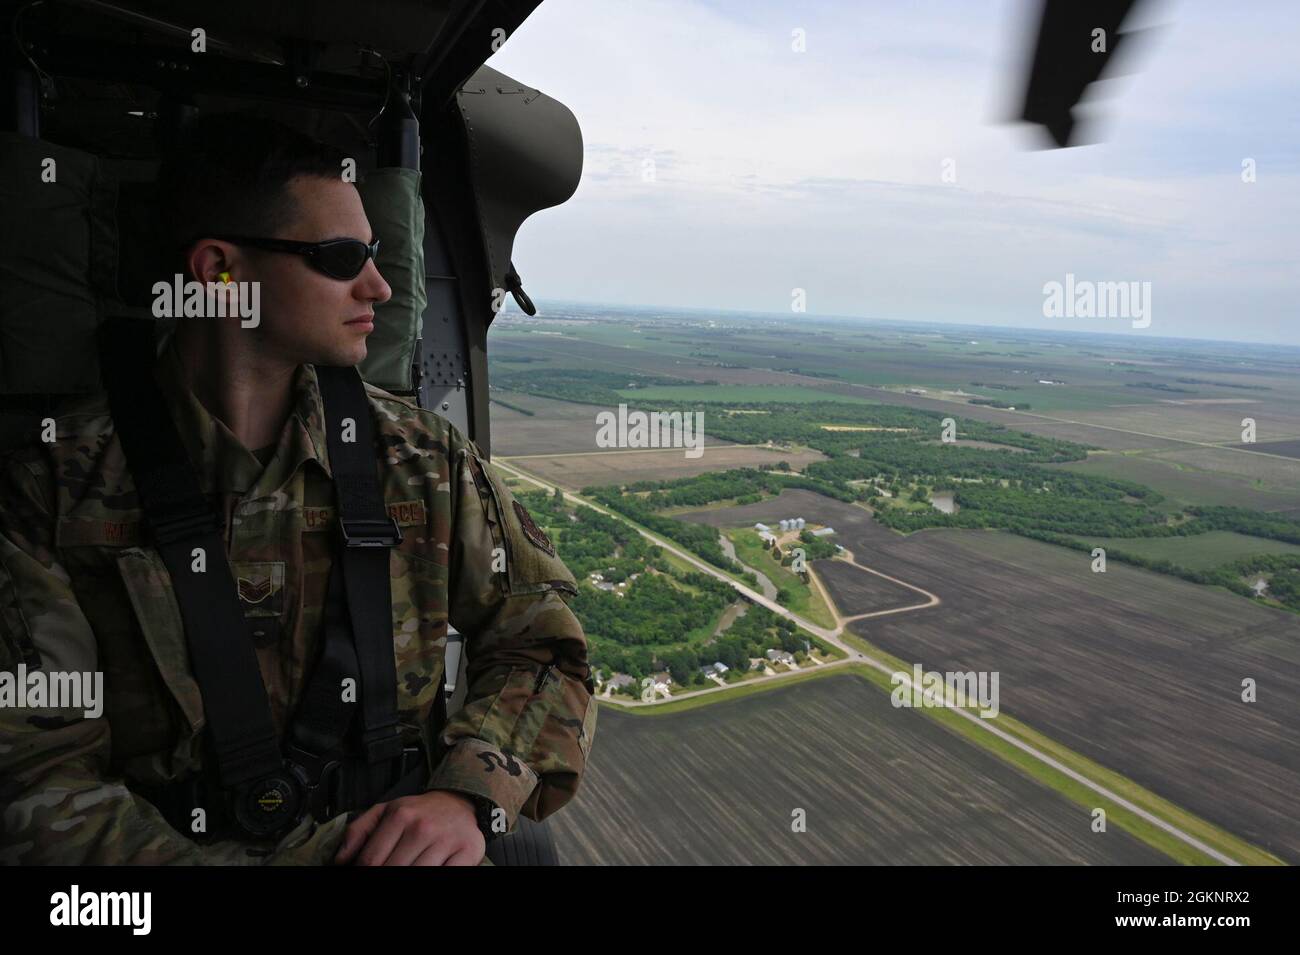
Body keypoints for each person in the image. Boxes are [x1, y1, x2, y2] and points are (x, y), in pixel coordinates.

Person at [0, 113, 596, 866]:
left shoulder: (421, 458)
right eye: (341, 257)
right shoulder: (53, 487)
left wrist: (467, 796)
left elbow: (543, 642)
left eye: (375, 255)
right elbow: (34, 777)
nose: (377, 285)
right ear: (221, 270)